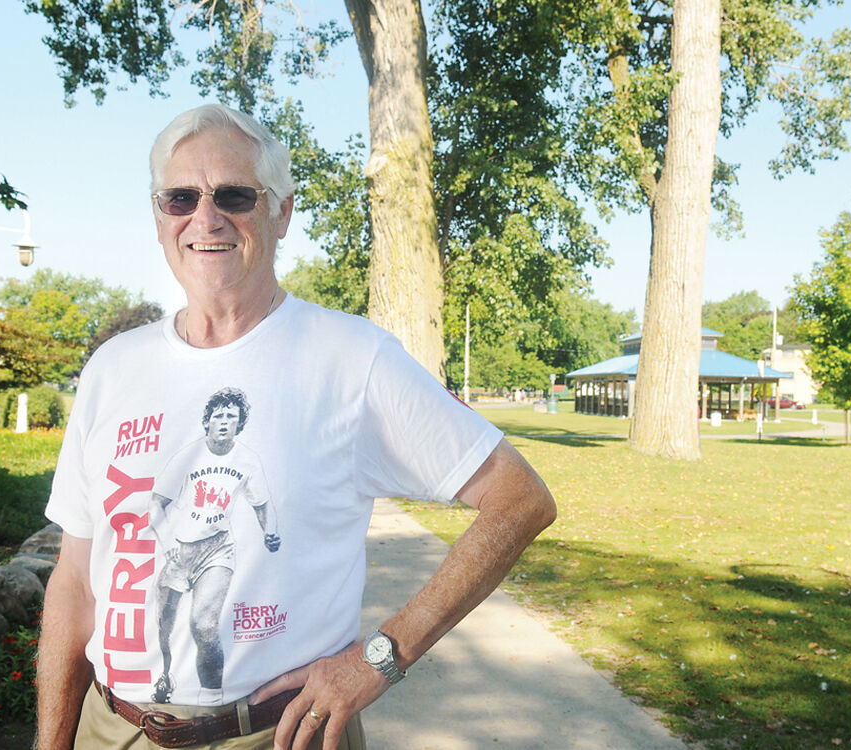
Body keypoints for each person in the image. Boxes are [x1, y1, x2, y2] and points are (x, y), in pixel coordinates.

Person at [36, 103, 556, 750]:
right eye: (180, 198)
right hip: (111, 729)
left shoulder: (351, 359)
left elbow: (519, 500)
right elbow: (75, 581)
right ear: (159, 215)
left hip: (274, 735)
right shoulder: (114, 368)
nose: (205, 218)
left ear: (281, 212)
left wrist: (381, 658)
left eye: (234, 195)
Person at [149, 386, 281, 706]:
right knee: (163, 623)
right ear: (207, 421)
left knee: (203, 624)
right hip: (179, 549)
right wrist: (166, 543)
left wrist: (270, 532)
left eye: (231, 417)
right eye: (218, 416)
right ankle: (165, 675)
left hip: (218, 549)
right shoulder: (188, 456)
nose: (223, 421)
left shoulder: (247, 460)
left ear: (240, 424)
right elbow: (156, 504)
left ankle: (212, 696)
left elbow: (262, 504)